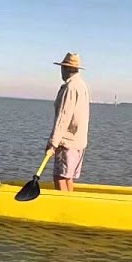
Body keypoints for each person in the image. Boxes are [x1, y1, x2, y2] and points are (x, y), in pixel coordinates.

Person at [46, 52, 90, 192]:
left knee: (59, 176)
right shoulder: (81, 85)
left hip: (68, 141)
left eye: (62, 68)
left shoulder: (70, 88)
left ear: (66, 69)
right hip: (79, 141)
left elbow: (63, 117)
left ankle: (64, 209)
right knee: (67, 176)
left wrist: (53, 143)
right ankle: (71, 203)